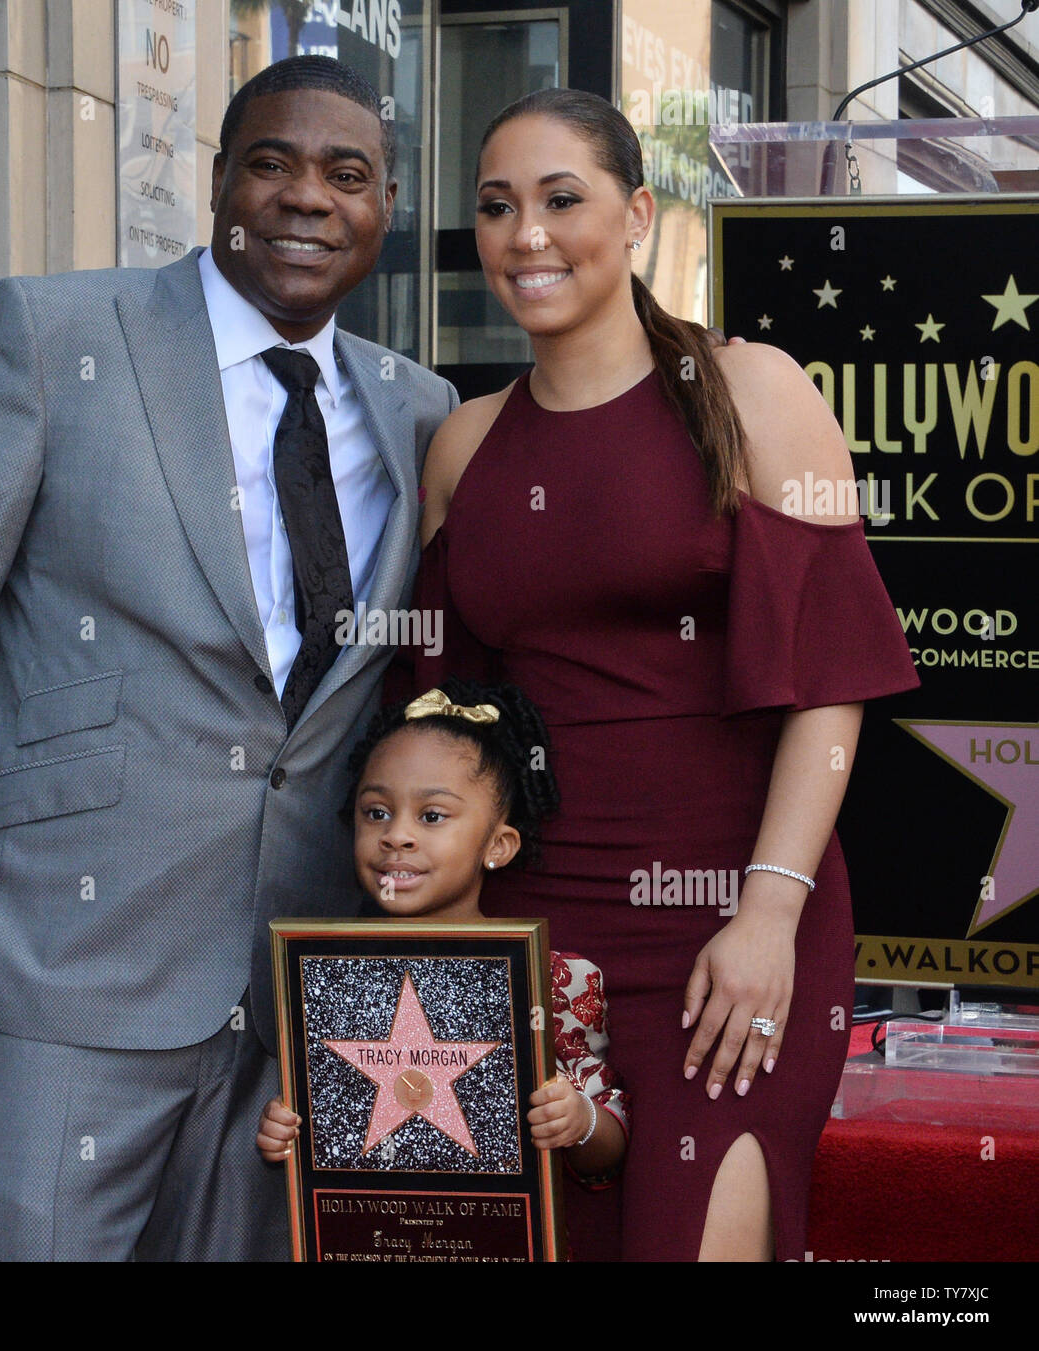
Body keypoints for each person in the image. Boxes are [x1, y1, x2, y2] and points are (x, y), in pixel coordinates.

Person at [0, 55, 456, 1261]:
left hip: (292, 974)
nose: (307, 198)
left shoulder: (417, 407)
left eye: (347, 175)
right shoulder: (57, 332)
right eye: (271, 163)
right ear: (218, 183)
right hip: (67, 953)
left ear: (384, 210)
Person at [404, 89, 921, 1262]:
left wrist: (768, 911)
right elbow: (445, 732)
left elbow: (830, 687)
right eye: (495, 207)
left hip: (733, 928)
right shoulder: (464, 444)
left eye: (560, 199)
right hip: (535, 930)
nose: (526, 235)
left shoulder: (754, 391)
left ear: (635, 214)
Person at [256, 680, 630, 1213]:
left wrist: (578, 1121)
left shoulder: (552, 981)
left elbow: (608, 1153)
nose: (397, 835)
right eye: (376, 812)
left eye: (431, 816)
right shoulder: (323, 976)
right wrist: (284, 1133)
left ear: (498, 846)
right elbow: (325, 1133)